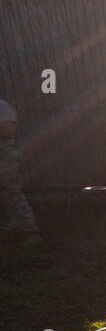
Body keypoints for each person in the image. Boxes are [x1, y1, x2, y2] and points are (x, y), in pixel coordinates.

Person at [0, 98, 41, 246]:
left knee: (11, 193)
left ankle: (29, 233)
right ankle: (7, 232)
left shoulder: (2, 106)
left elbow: (8, 130)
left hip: (3, 155)